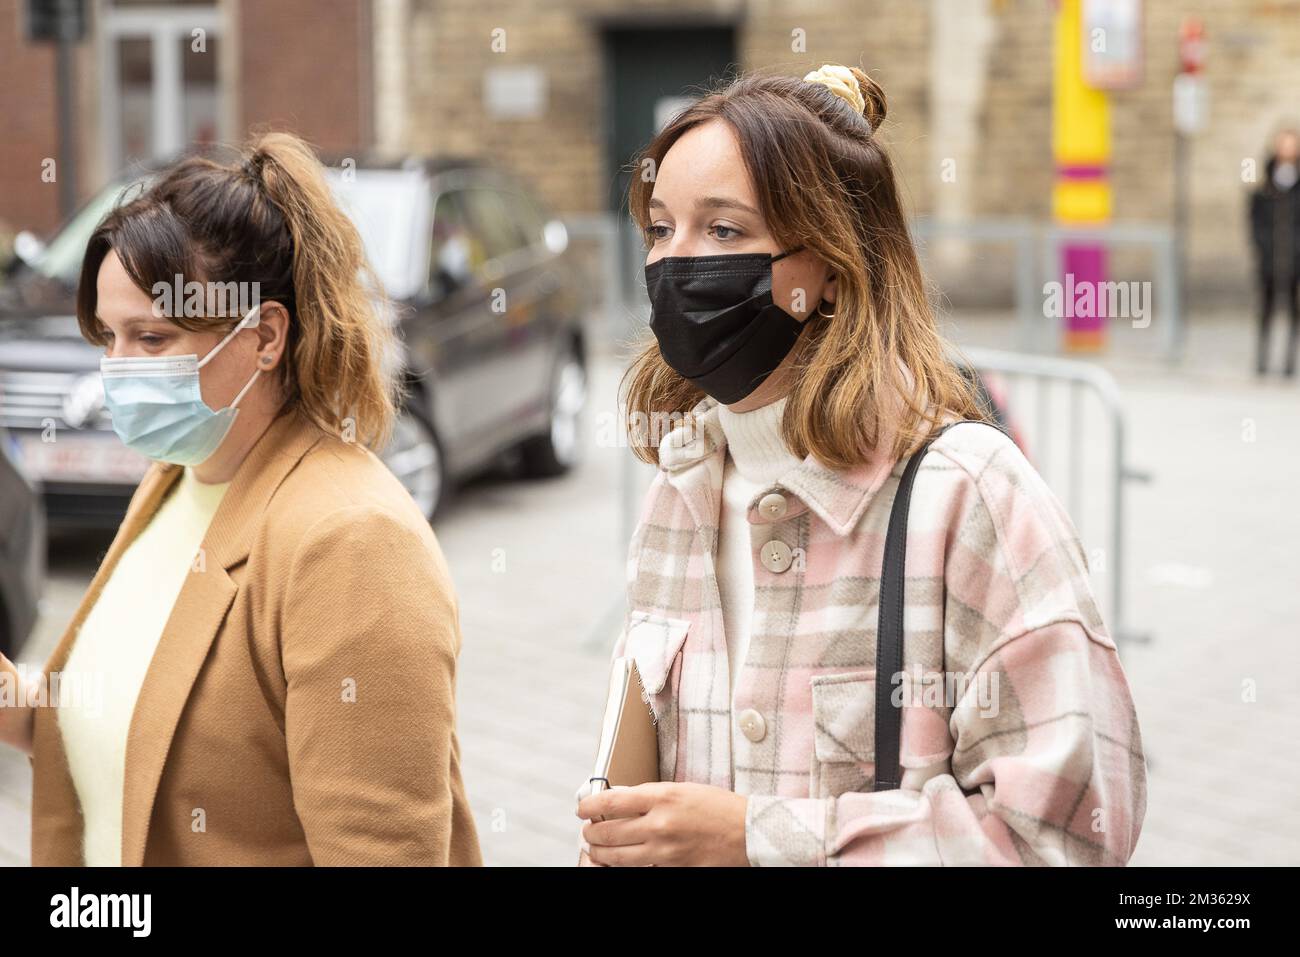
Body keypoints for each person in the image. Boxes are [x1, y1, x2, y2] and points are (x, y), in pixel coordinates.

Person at [575, 64, 1147, 866]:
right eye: (662, 229)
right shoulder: (680, 487)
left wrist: (754, 839)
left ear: (835, 272)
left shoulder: (971, 495)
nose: (677, 264)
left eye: (726, 231)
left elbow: (1062, 836)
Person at [0, 132, 482, 866]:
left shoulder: (352, 541)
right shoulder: (177, 476)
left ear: (263, 336)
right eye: (109, 336)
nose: (114, 371)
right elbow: (136, 726)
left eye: (151, 338)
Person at [1249, 127, 1300, 377]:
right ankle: (1262, 360)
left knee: (1294, 311)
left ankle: (1289, 363)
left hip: (1294, 260)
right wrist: (1262, 248)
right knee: (1266, 311)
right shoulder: (1264, 188)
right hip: (1270, 260)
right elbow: (1254, 222)